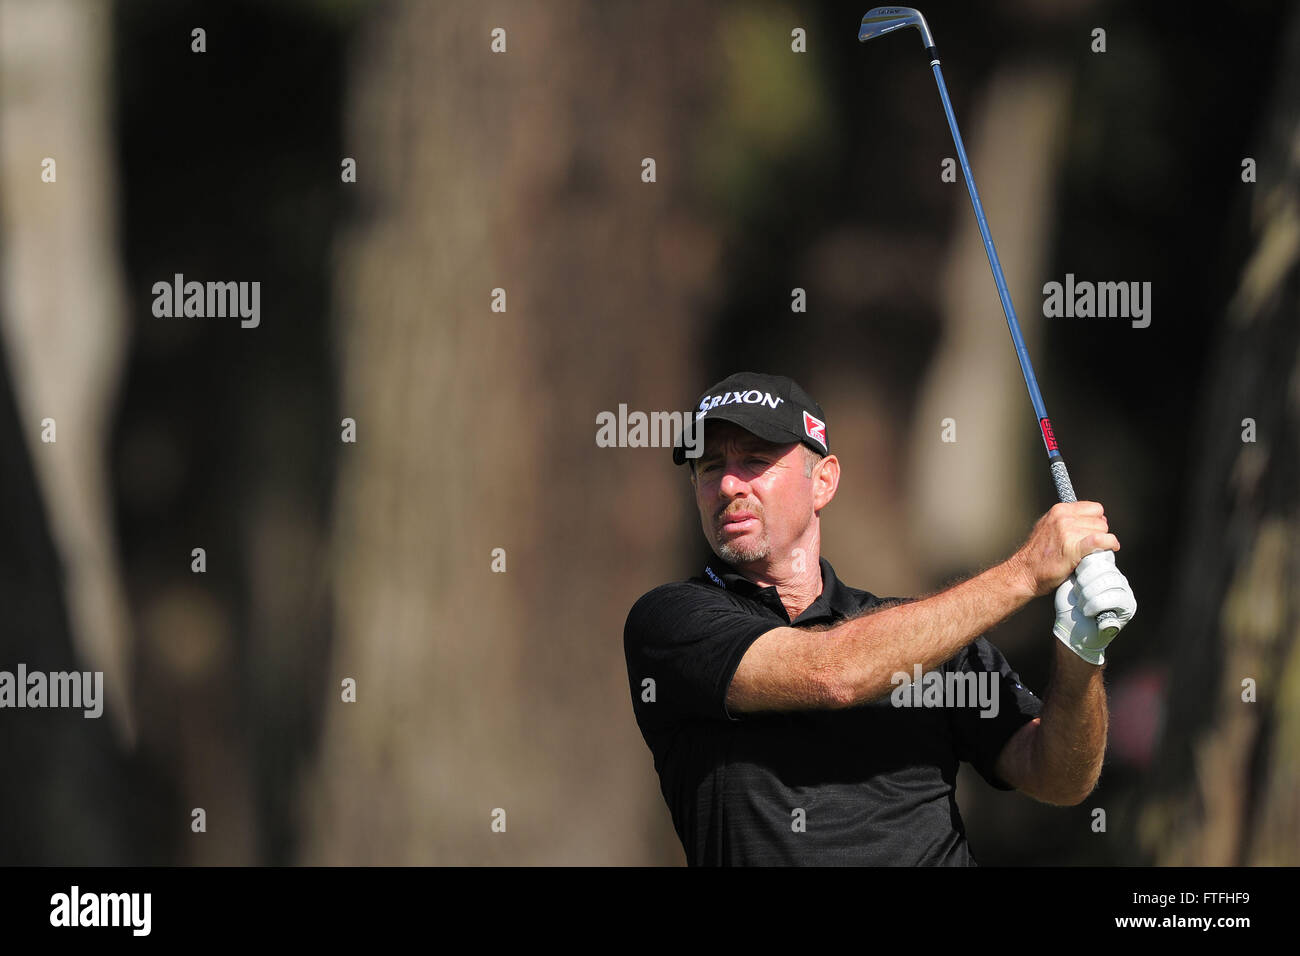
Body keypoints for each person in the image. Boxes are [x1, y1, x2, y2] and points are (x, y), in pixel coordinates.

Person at [623, 371, 1137, 865]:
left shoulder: (929, 639)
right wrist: (1026, 572)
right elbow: (830, 675)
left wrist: (1081, 653)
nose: (730, 484)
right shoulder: (671, 623)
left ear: (823, 481)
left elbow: (1060, 779)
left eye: (756, 460)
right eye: (710, 467)